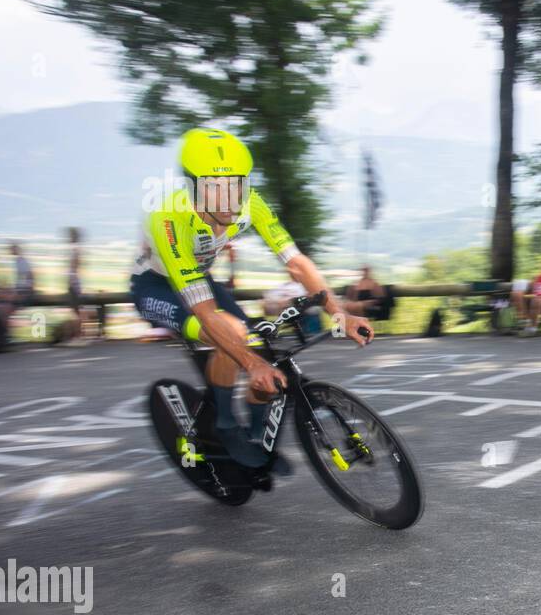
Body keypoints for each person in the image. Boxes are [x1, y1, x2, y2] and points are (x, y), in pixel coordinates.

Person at [130, 128, 372, 469]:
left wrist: (338, 312)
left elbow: (298, 263)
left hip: (199, 278)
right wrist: (250, 364)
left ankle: (258, 440)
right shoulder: (168, 220)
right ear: (193, 188)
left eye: (236, 185)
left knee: (262, 350)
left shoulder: (250, 204)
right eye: (216, 189)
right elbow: (204, 310)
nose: (229, 199)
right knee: (233, 334)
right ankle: (227, 426)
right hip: (156, 286)